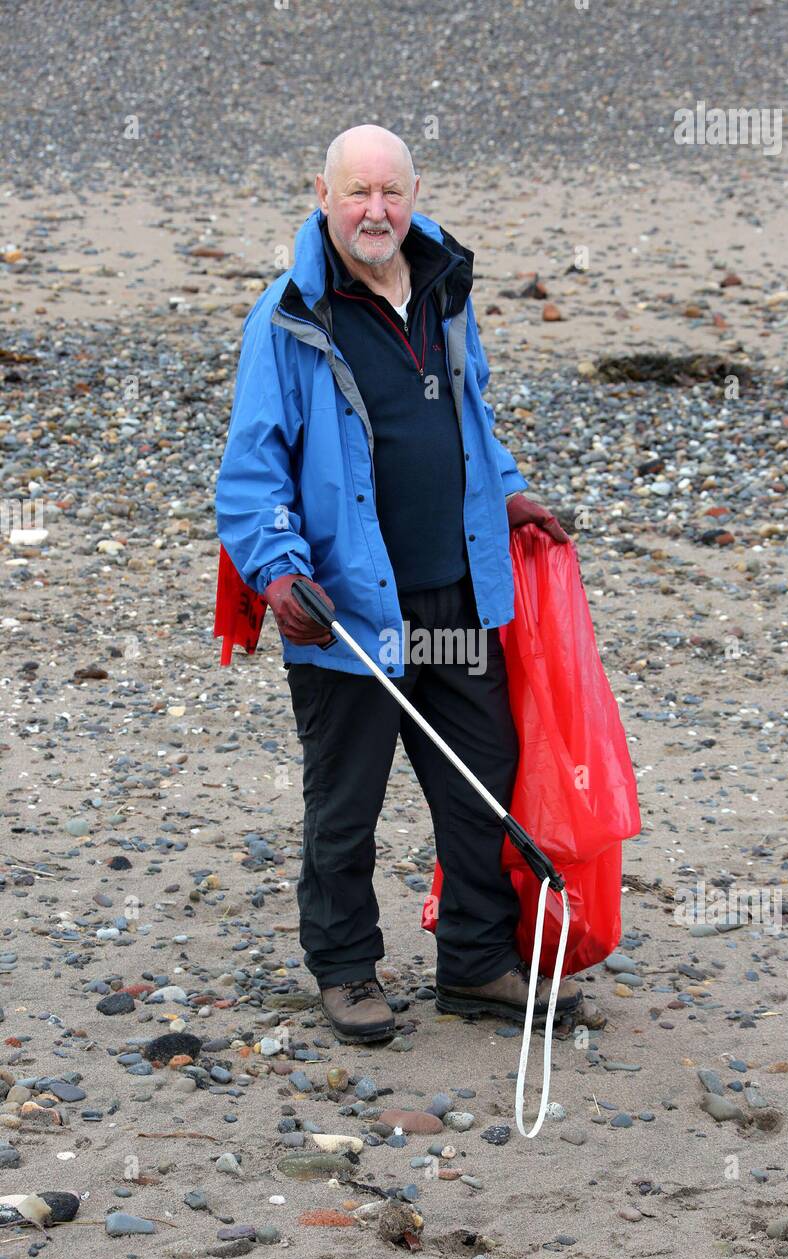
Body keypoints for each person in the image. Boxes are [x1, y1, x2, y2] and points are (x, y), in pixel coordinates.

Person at [215, 123, 581, 1042]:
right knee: (347, 802)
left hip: (456, 598)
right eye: (356, 192)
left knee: (481, 784)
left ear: (414, 193)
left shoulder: (447, 291)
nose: (374, 210)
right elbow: (251, 471)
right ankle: (345, 970)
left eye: (391, 191)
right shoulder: (289, 316)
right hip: (349, 614)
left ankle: (476, 961)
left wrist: (509, 495)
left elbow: (471, 419)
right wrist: (278, 572)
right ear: (323, 194)